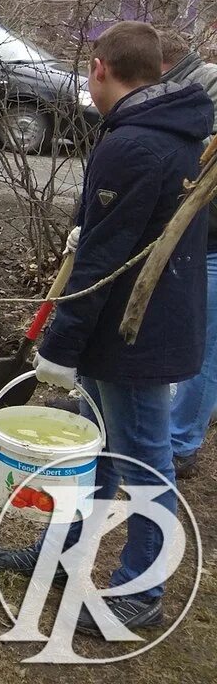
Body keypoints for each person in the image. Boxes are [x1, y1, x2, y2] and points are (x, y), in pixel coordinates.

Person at [0, 21, 212, 635]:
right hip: (138, 326)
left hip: (136, 335)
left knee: (143, 462)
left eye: (90, 70)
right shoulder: (173, 130)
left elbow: (103, 264)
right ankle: (58, 555)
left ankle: (140, 592)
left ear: (101, 68)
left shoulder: (135, 143)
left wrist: (58, 348)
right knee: (99, 457)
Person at [159, 28, 217, 478]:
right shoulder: (183, 87)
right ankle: (162, 426)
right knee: (176, 333)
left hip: (212, 241)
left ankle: (181, 443)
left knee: (207, 344)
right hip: (190, 236)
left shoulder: (205, 89)